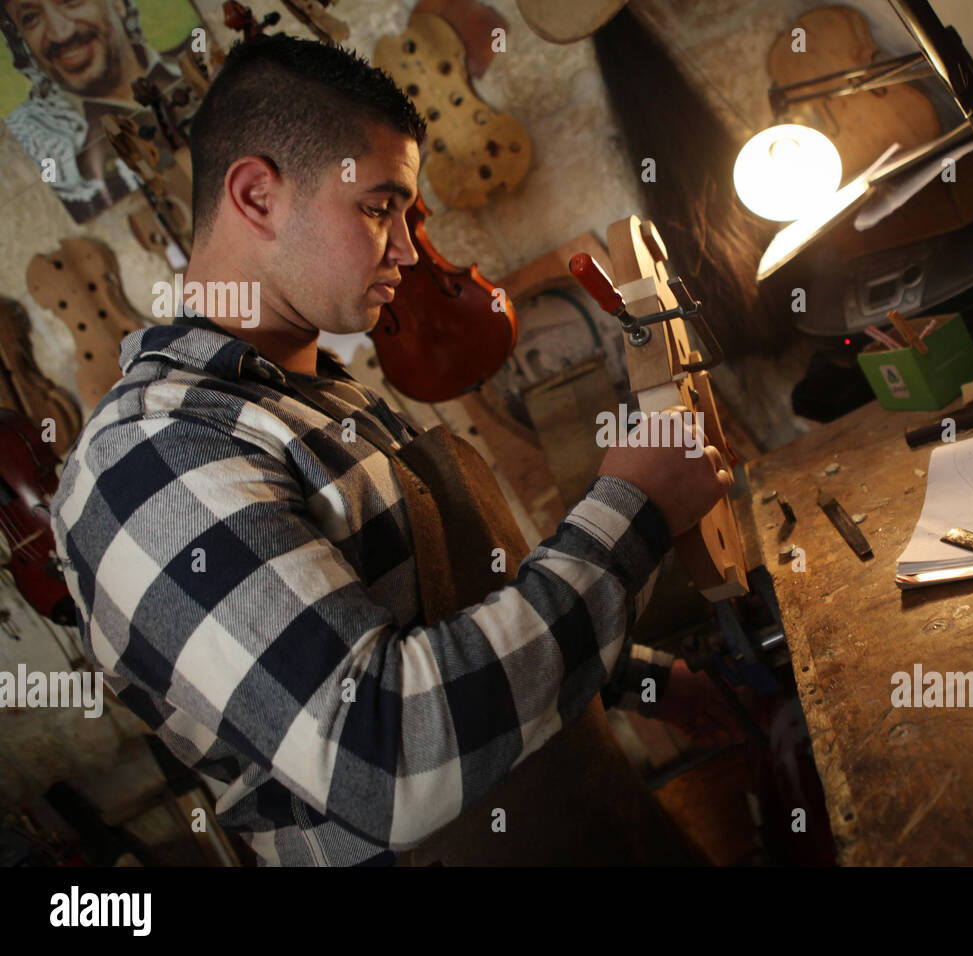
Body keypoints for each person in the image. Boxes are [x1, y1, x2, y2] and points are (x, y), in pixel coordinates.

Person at [52, 33, 737, 866]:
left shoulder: (327, 396)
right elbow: (383, 752)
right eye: (381, 208)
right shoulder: (150, 458)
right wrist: (637, 509)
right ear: (258, 196)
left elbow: (457, 613)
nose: (411, 251)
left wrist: (645, 677)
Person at [2, 0, 183, 220]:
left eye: (71, 2)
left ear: (117, 3)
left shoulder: (196, 60)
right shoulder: (55, 155)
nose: (61, 34)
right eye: (30, 18)